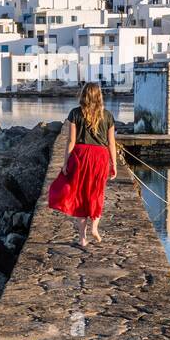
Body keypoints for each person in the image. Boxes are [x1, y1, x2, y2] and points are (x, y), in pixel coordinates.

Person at [47, 82, 118, 246]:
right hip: (100, 156)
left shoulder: (75, 113)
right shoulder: (107, 116)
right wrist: (113, 164)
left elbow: (71, 141)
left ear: (83, 95)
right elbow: (111, 143)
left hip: (80, 156)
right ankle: (95, 227)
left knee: (80, 195)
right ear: (99, 96)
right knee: (97, 192)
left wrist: (65, 162)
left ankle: (82, 238)